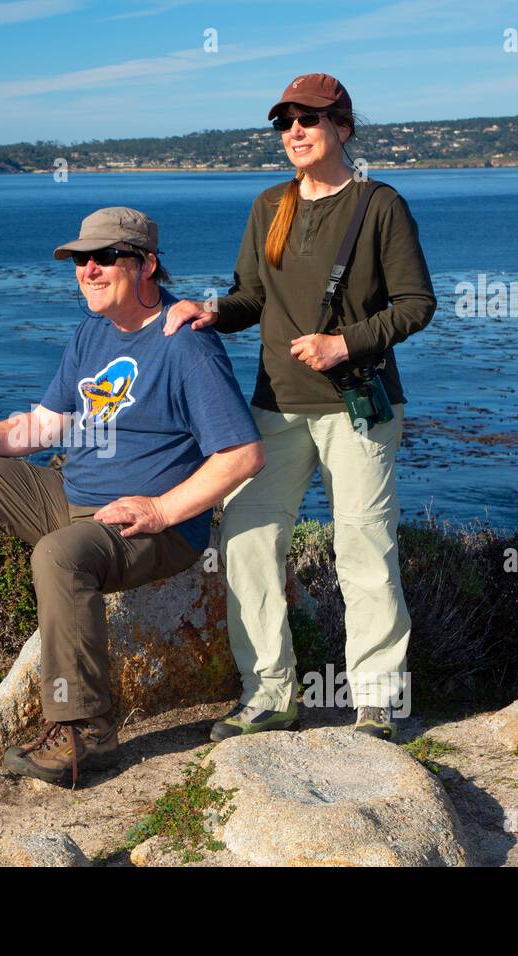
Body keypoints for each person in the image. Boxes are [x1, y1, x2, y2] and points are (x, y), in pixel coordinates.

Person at [0, 206, 264, 786]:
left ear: (147, 264)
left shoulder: (186, 347)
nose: (89, 271)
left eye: (105, 258)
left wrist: (161, 509)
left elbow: (243, 454)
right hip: (76, 500)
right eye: (81, 260)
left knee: (59, 554)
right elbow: (47, 425)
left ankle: (85, 730)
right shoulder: (91, 332)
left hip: (154, 529)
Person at [165, 73, 436, 742]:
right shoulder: (269, 206)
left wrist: (345, 343)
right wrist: (212, 310)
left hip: (357, 407)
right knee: (250, 545)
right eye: (285, 121)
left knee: (364, 550)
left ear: (342, 128)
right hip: (275, 407)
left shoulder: (380, 205)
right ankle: (269, 696)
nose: (294, 132)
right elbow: (250, 296)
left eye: (308, 120)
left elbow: (416, 305)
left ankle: (376, 704)